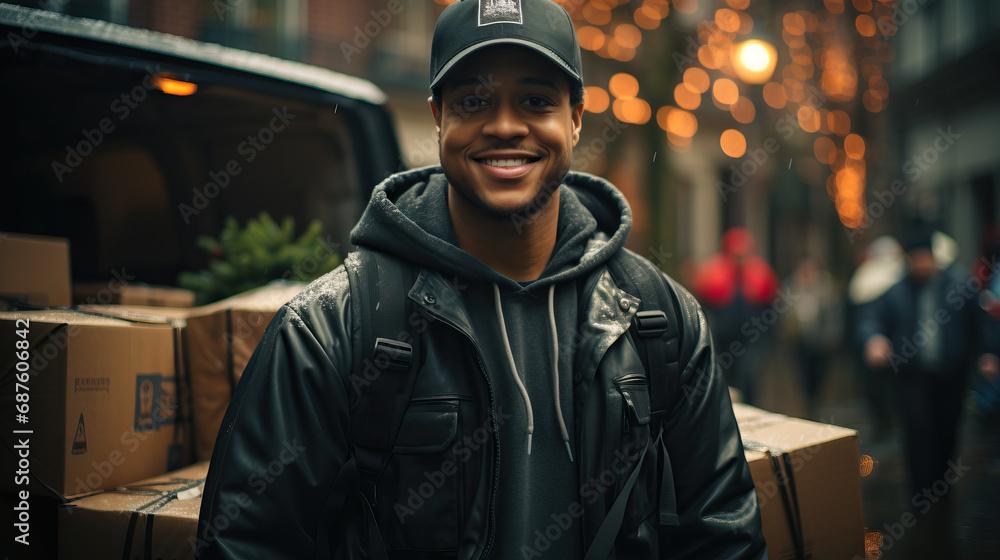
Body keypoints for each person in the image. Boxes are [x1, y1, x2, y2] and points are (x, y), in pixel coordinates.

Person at [196, 1, 765, 558]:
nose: (505, 125)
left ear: (575, 118)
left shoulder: (660, 321)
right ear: (440, 116)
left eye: (536, 100)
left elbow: (723, 537)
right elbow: (246, 543)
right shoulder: (334, 327)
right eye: (474, 100)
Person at [858, 224, 978, 505]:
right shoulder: (896, 291)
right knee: (917, 431)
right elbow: (870, 318)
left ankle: (942, 489)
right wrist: (873, 339)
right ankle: (920, 493)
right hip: (912, 376)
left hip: (951, 374)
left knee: (947, 430)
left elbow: (977, 324)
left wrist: (985, 355)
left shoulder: (959, 285)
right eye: (916, 259)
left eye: (927, 257)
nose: (922, 264)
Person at [691, 227, 779, 405]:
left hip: (752, 339)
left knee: (749, 374)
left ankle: (750, 405)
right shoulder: (714, 271)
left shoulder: (759, 272)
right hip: (724, 339)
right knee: (726, 375)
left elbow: (771, 308)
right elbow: (703, 305)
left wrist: (768, 339)